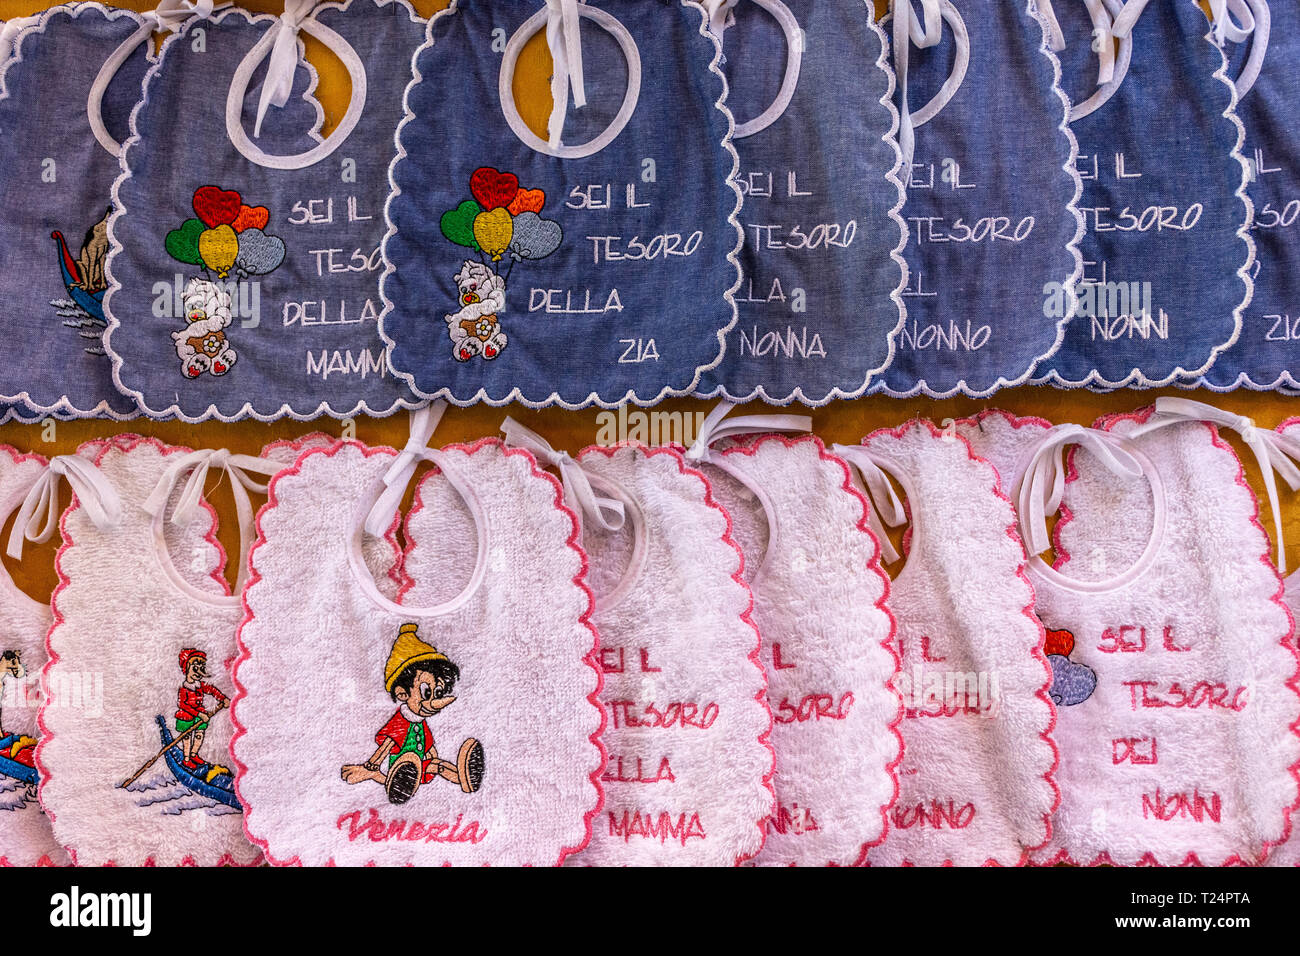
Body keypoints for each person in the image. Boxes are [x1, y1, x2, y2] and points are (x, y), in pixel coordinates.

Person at [175, 648, 228, 770]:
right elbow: (183, 705)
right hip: (186, 717)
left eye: (201, 668)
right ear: (186, 668)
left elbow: (212, 690)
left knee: (199, 735)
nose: (199, 672)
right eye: (195, 668)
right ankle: (187, 759)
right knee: (187, 738)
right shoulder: (184, 689)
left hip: (200, 716)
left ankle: (194, 755)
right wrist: (199, 714)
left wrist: (223, 698)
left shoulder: (200, 685)